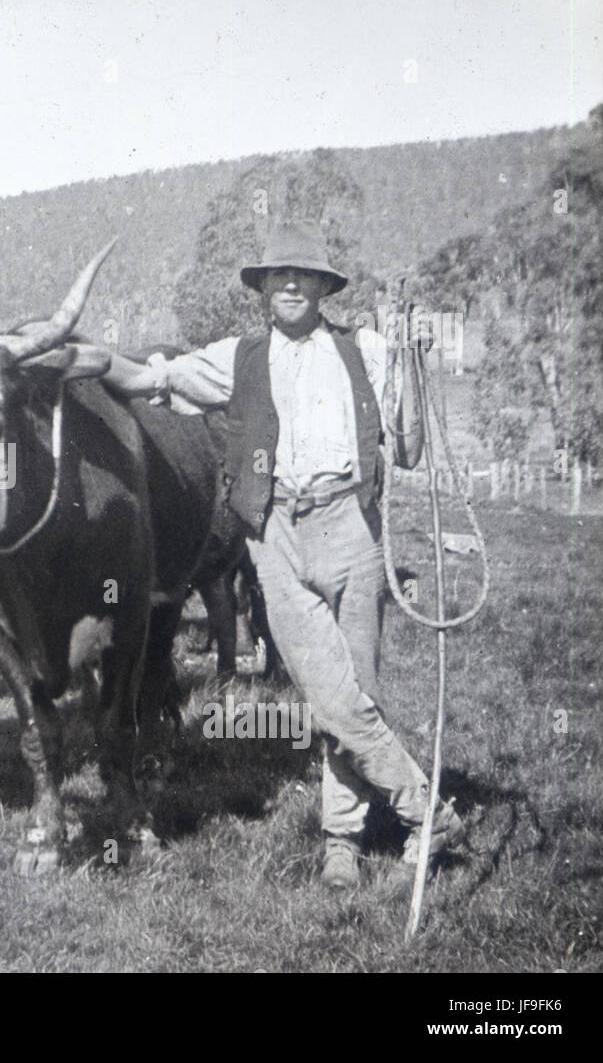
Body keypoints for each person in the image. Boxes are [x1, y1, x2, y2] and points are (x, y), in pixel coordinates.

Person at [104, 221, 464, 889]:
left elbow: (410, 448)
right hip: (274, 534)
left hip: (352, 526)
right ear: (264, 289)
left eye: (304, 276)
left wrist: (417, 365)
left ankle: (341, 842)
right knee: (328, 692)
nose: (291, 284)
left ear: (325, 288)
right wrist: (88, 360)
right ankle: (426, 810)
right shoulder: (237, 358)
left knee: (354, 693)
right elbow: (150, 379)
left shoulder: (368, 350)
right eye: (278, 275)